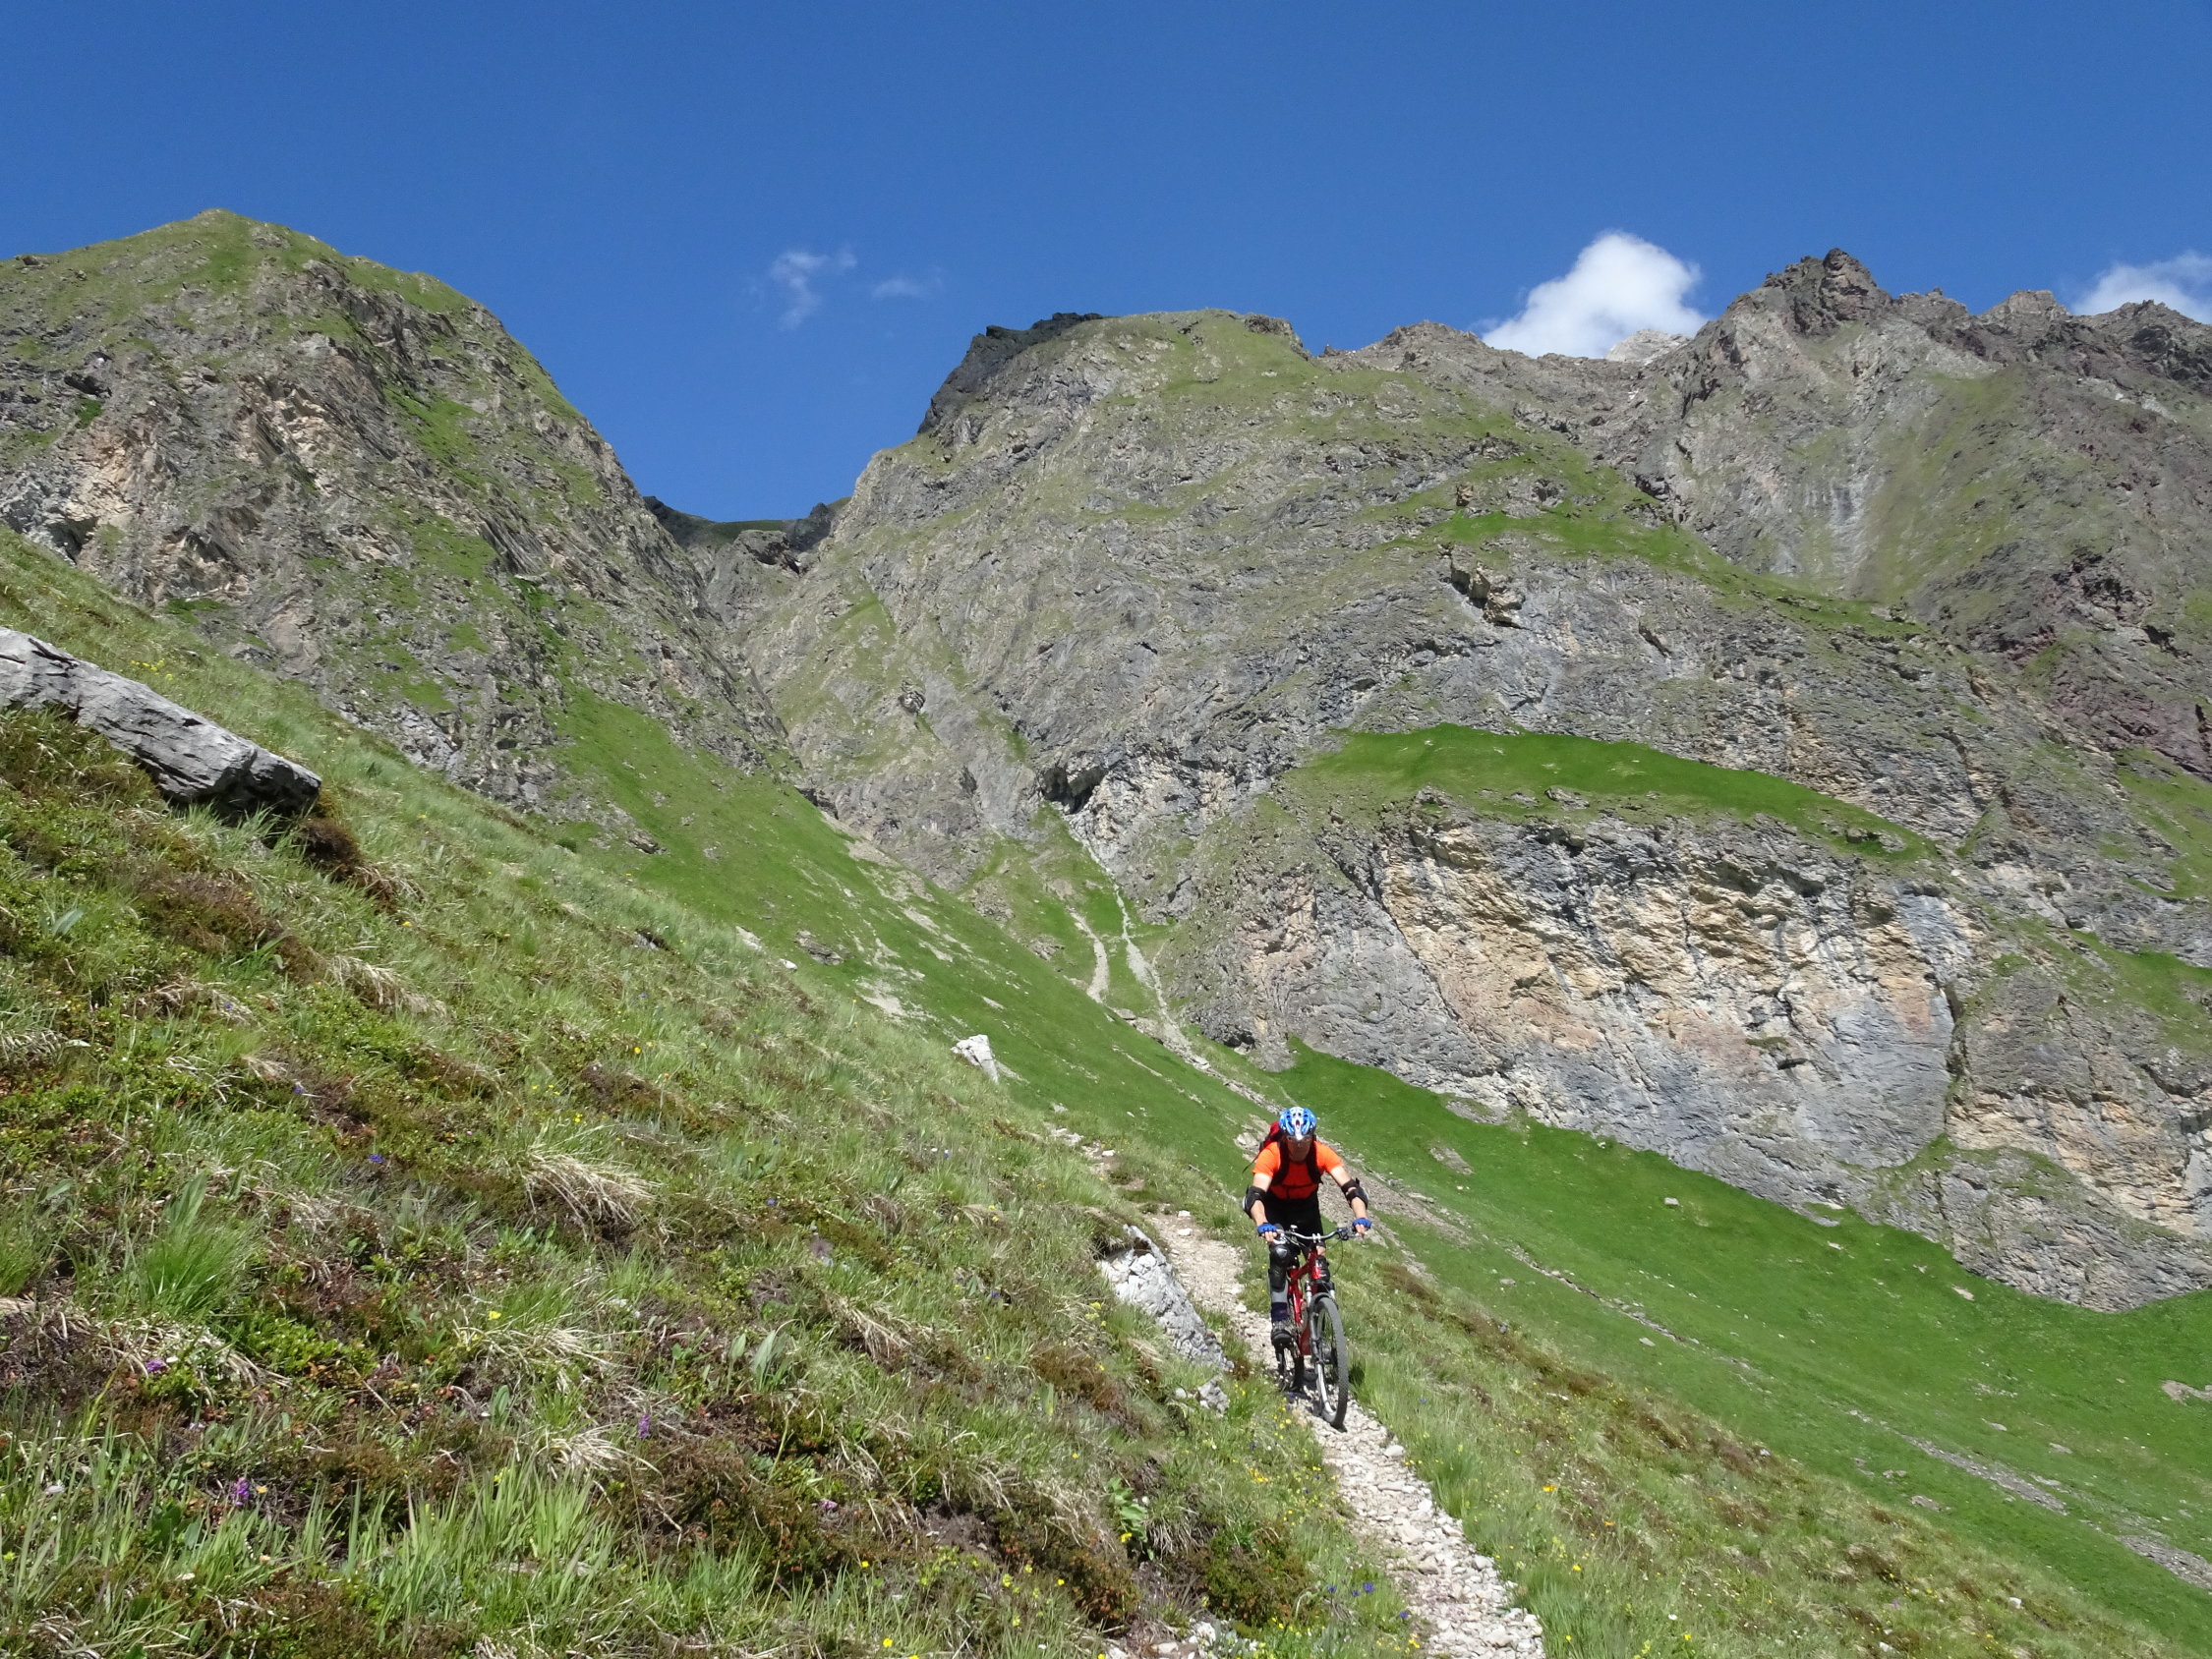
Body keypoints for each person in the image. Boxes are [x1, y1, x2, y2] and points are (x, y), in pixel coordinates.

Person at [1245, 1107, 1371, 1348]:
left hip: (1306, 1209)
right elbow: (1256, 1196)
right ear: (1285, 1138)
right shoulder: (1272, 1154)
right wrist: (1263, 1224)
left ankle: (1320, 1326)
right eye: (1293, 1141)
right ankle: (1280, 1318)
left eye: (1304, 1140)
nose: (1299, 1146)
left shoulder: (1321, 1153)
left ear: (1312, 1137)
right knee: (1280, 1254)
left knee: (1319, 1265)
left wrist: (1361, 1217)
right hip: (1275, 1208)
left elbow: (1351, 1189)